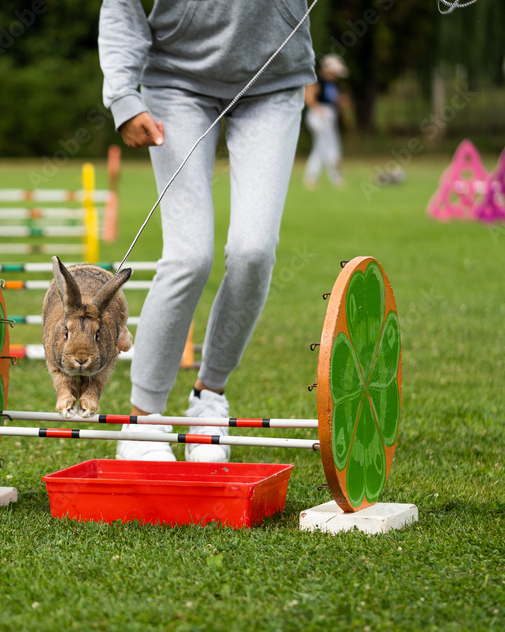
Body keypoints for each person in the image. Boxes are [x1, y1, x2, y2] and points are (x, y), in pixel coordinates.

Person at [99, 1, 315, 463]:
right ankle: (143, 422)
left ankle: (208, 398)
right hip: (176, 82)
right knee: (189, 256)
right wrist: (122, 94)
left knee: (253, 249)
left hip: (274, 81)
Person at [302, 54, 348, 189]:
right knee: (328, 146)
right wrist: (318, 109)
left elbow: (331, 98)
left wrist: (341, 100)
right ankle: (333, 177)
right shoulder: (318, 80)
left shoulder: (332, 82)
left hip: (328, 115)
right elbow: (308, 96)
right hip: (319, 116)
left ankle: (314, 177)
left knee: (323, 146)